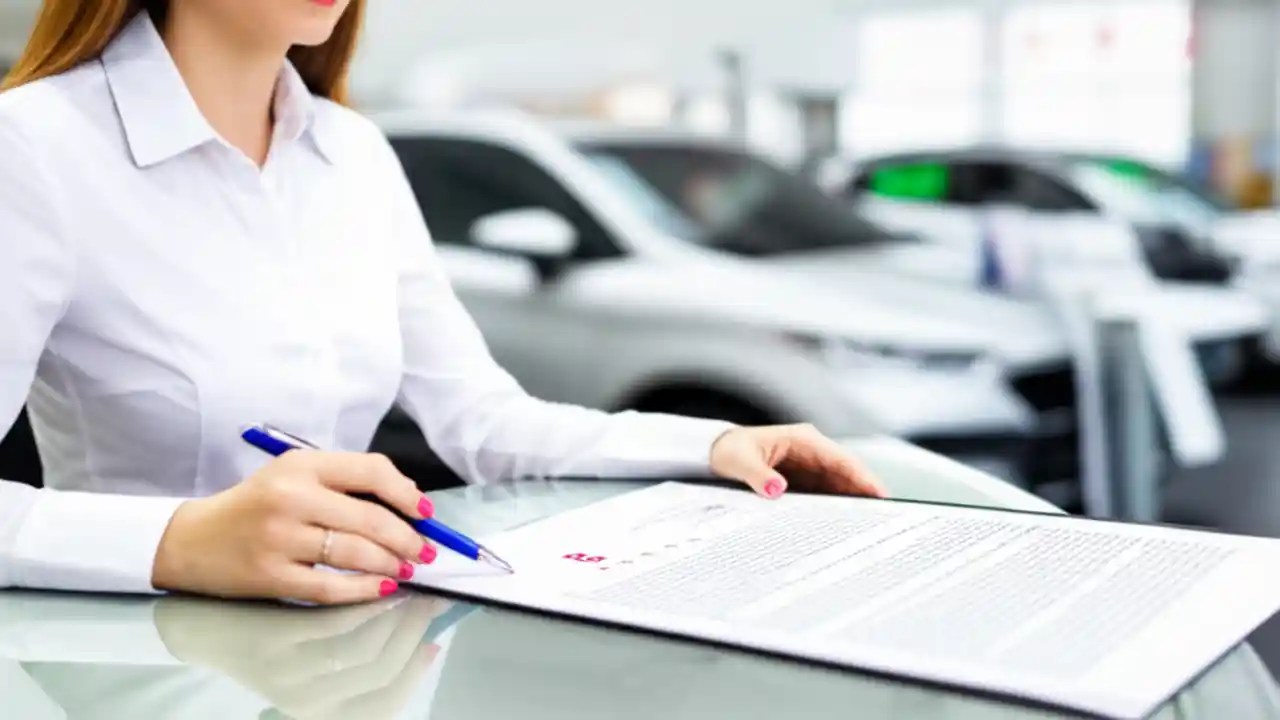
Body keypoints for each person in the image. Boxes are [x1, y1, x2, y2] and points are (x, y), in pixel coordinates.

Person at [0, 0, 884, 606]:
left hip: (352, 652)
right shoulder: (36, 148)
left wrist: (714, 444)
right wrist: (181, 542)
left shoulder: (354, 154)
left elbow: (485, 420)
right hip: (132, 672)